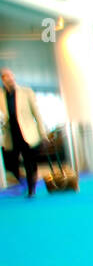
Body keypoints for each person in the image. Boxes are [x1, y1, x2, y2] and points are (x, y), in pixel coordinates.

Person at [1, 68, 47, 197]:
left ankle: (31, 188)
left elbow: (37, 114)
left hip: (27, 133)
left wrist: (43, 134)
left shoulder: (26, 92)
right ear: (3, 80)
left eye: (11, 76)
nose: (9, 79)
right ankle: (24, 180)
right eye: (6, 77)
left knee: (29, 161)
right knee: (10, 163)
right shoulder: (1, 95)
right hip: (11, 134)